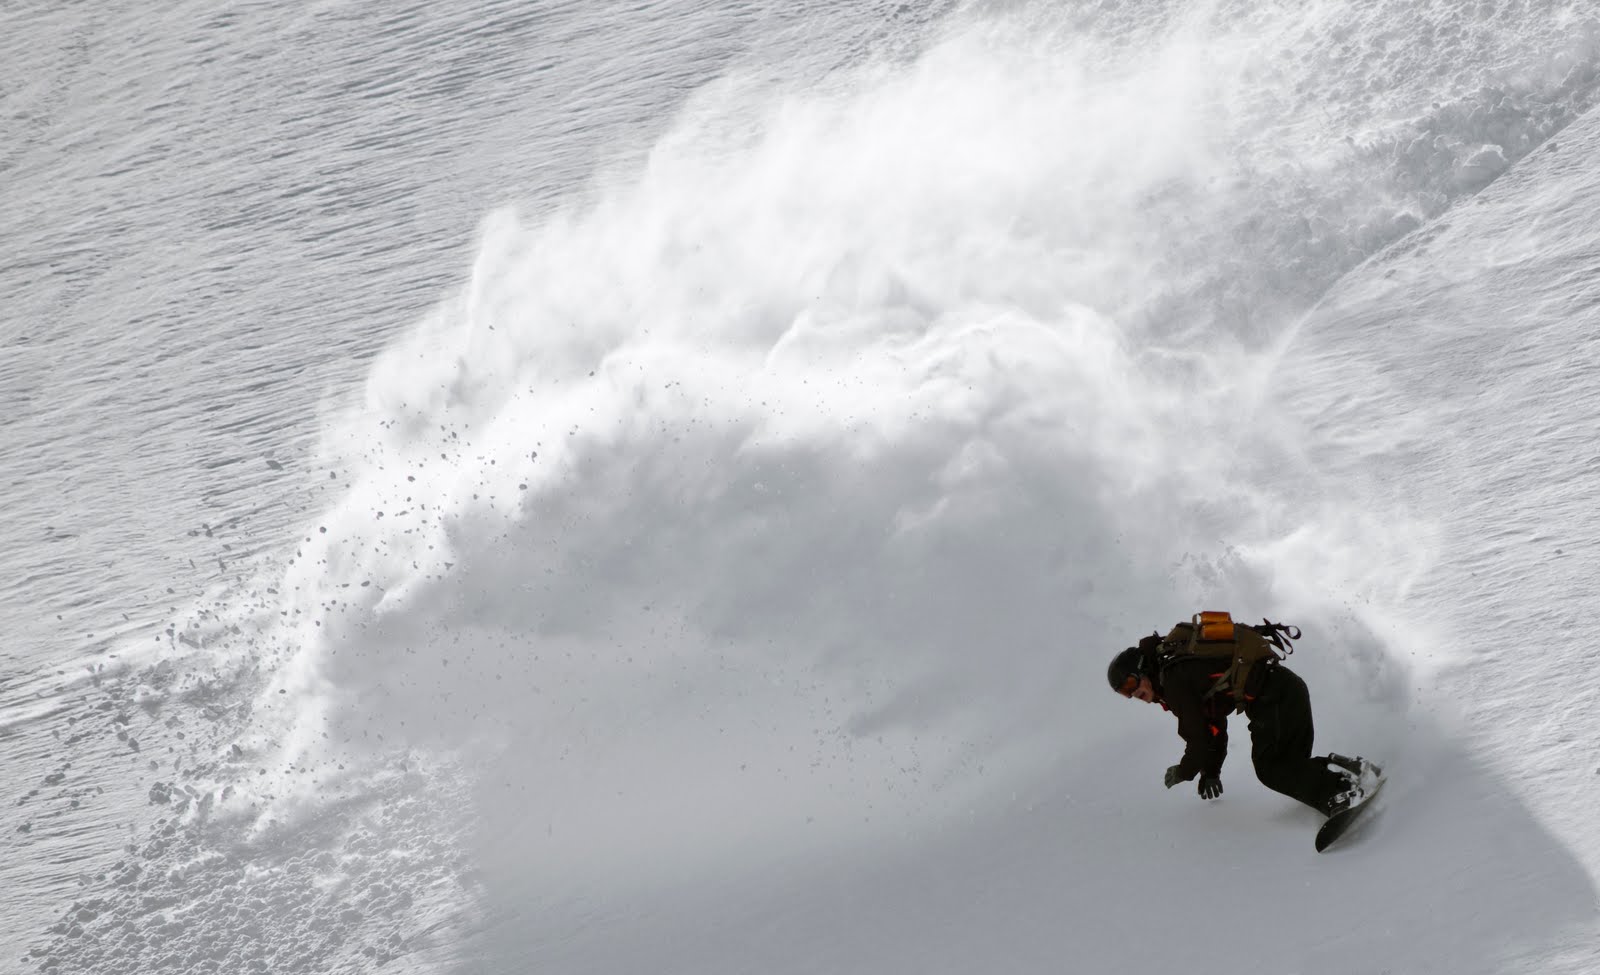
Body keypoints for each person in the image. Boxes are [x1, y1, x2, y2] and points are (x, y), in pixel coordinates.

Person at [1107, 632, 1377, 817]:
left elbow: (1199, 738)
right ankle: (1354, 770)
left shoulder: (1174, 680)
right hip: (1286, 689)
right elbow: (1213, 727)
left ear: (1143, 669)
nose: (1133, 694)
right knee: (1291, 765)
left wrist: (1185, 771)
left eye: (1131, 684)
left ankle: (1343, 795)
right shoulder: (1177, 674)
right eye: (1124, 693)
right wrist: (1211, 771)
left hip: (1273, 699)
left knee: (1271, 770)